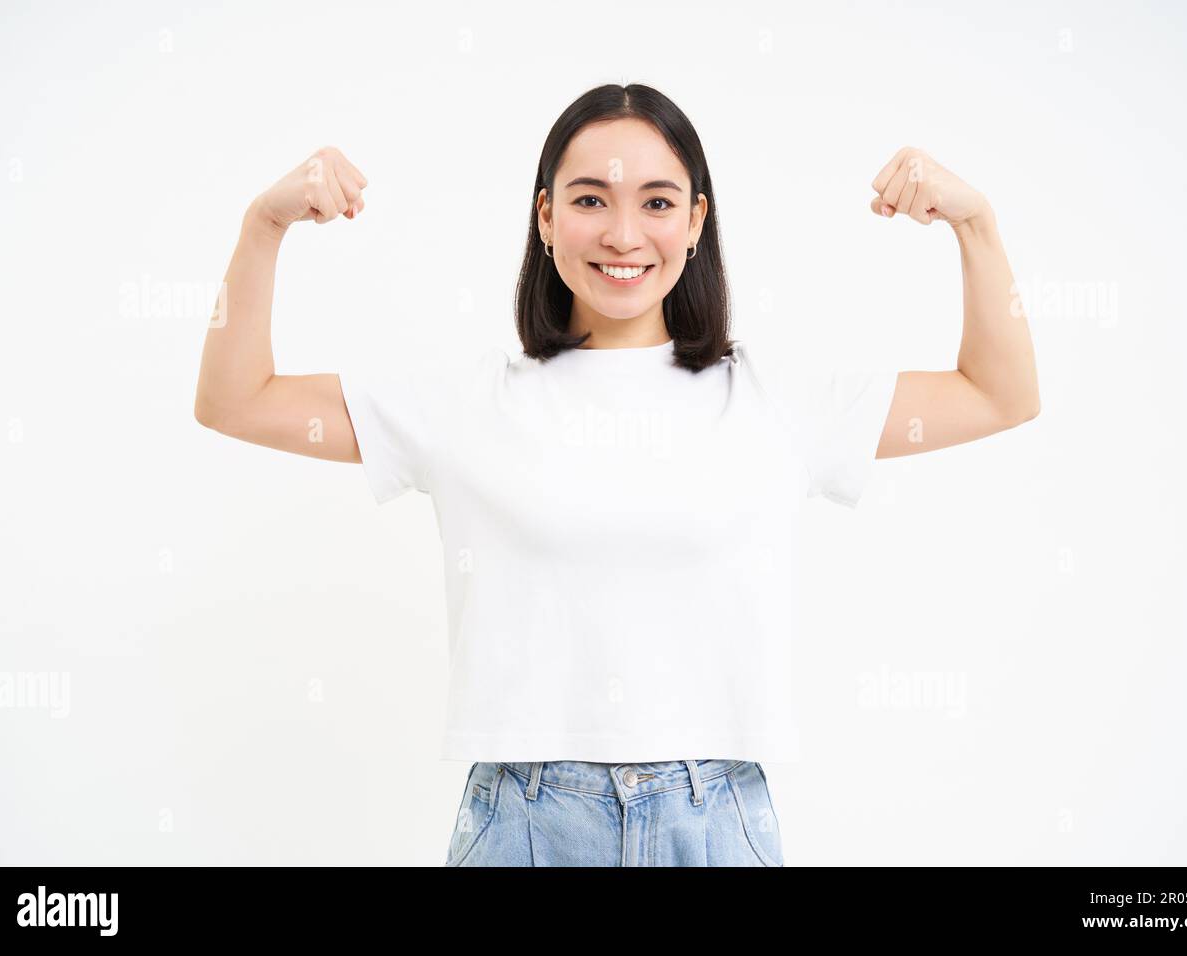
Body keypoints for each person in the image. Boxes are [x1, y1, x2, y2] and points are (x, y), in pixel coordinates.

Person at [193, 83, 1039, 866]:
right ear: (547, 218)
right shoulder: (467, 404)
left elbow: (997, 394)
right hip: (523, 823)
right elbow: (237, 401)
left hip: (714, 822)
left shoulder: (774, 401)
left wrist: (978, 225)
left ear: (697, 219)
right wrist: (262, 227)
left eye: (658, 203)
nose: (625, 235)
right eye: (591, 199)